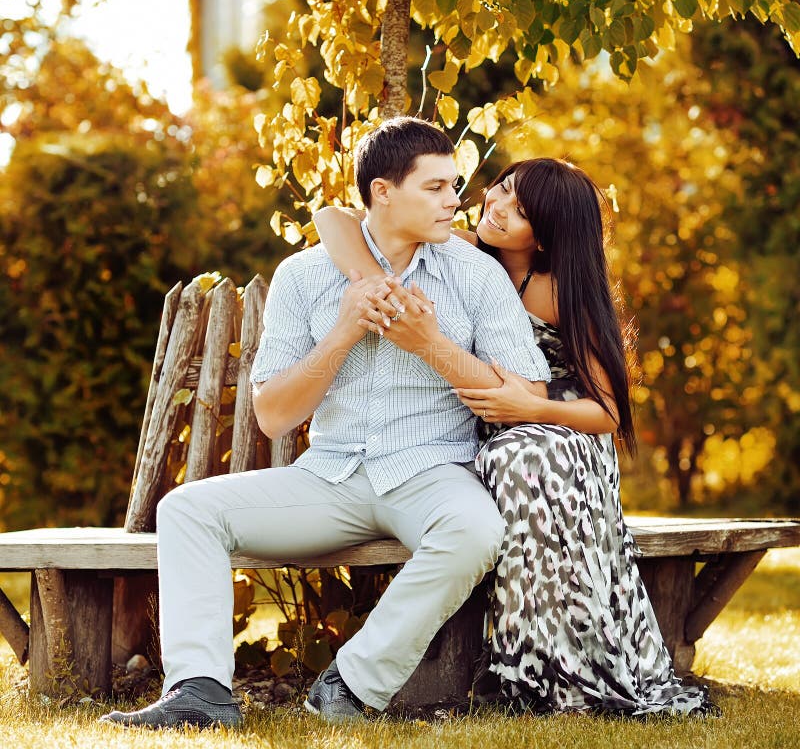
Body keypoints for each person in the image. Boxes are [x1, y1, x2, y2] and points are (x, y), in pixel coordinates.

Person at [99, 117, 551, 729]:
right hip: (330, 477)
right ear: (383, 193)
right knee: (187, 510)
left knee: (474, 530)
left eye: (455, 186)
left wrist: (430, 343)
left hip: (432, 470)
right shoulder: (304, 275)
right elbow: (273, 414)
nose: (455, 201)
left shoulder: (475, 274)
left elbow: (528, 389)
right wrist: (343, 330)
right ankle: (200, 693)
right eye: (436, 187)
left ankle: (352, 684)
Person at [314, 157, 715, 716]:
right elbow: (330, 218)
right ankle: (526, 660)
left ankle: (548, 667)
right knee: (506, 456)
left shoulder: (563, 290)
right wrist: (376, 283)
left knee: (520, 455)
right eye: (501, 190)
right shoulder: (458, 256)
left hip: (564, 441)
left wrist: (532, 405)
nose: (496, 208)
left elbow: (608, 414)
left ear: (549, 234)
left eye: (520, 211)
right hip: (489, 436)